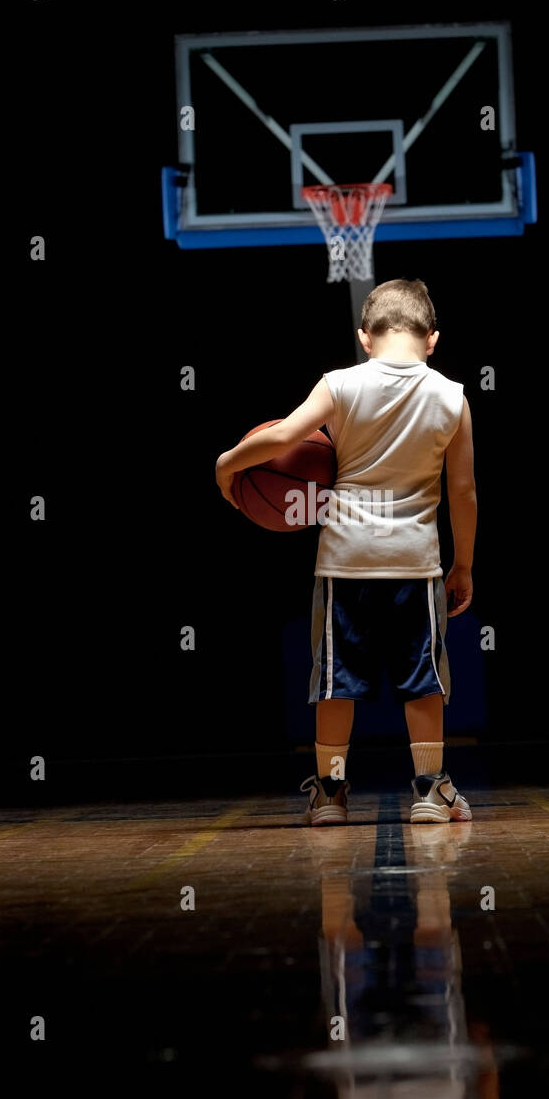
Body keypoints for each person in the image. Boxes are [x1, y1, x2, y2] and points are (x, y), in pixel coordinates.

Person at [215, 279, 477, 826]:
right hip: (415, 561)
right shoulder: (452, 396)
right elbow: (463, 492)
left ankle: (330, 793)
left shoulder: (339, 383)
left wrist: (229, 462)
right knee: (423, 681)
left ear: (365, 336)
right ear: (432, 339)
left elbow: (285, 436)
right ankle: (430, 790)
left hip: (344, 561)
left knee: (336, 682)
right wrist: (463, 565)